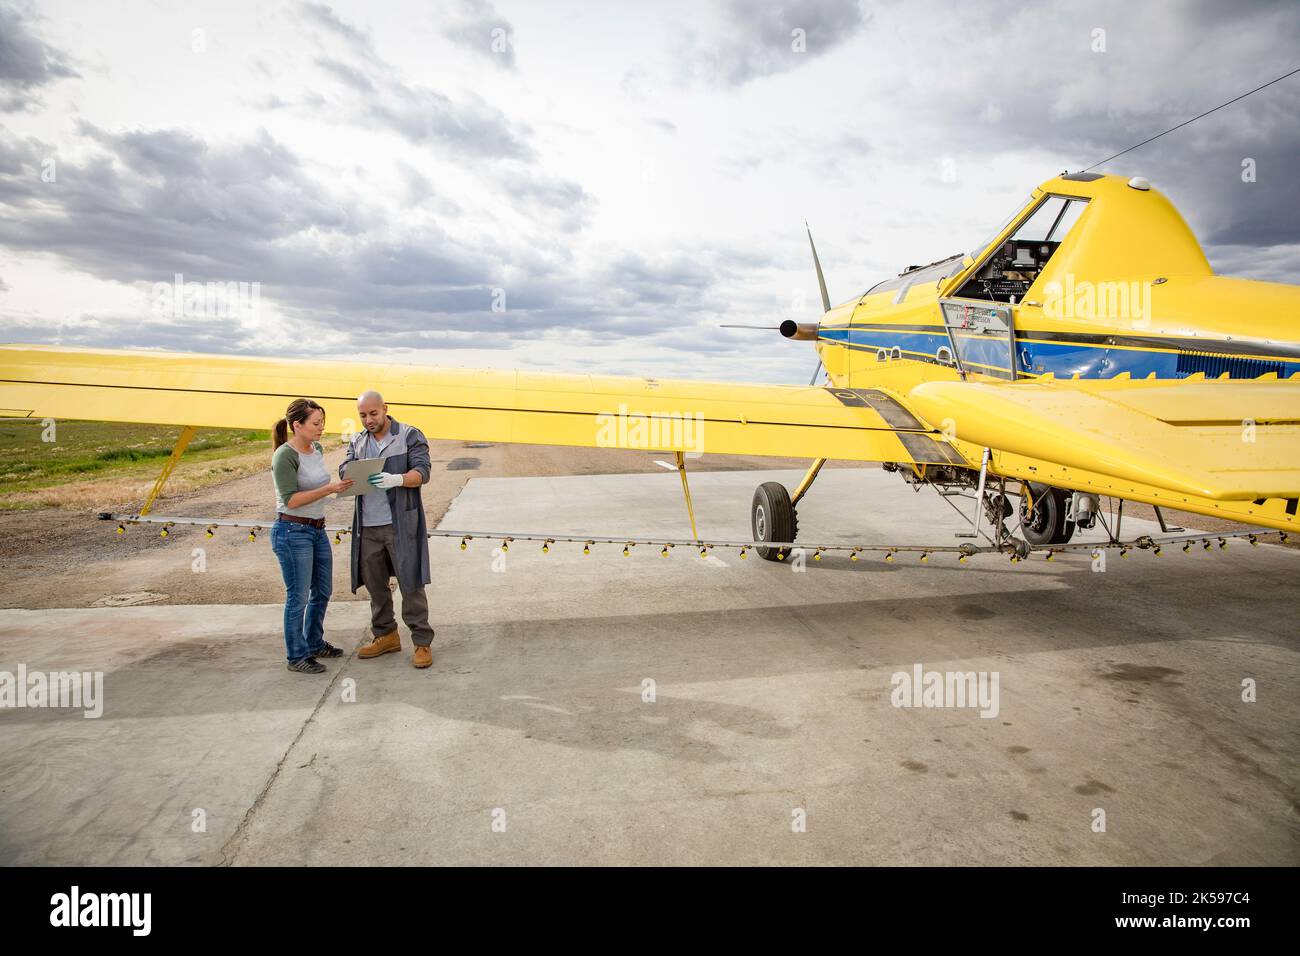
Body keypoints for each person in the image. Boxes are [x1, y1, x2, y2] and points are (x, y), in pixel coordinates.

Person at [340, 391, 435, 668]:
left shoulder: (408, 435)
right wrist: (349, 472)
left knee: (410, 582)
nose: (368, 420)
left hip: (399, 525)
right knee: (375, 584)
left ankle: (422, 642)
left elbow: (423, 472)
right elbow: (344, 467)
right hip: (368, 526)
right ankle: (386, 636)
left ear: (385, 409)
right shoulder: (357, 441)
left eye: (373, 413)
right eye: (362, 415)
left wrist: (397, 479)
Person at [270, 398, 353, 674]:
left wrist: (341, 487)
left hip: (317, 529)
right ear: (297, 425)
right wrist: (329, 489)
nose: (321, 428)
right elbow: (291, 500)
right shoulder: (284, 455)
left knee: (323, 591)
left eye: (322, 423)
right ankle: (296, 656)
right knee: (298, 597)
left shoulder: (316, 449)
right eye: (316, 423)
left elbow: (318, 488)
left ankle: (314, 643)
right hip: (293, 532)